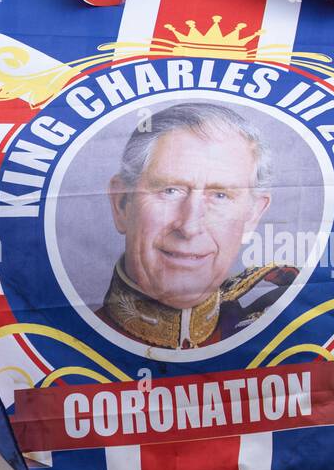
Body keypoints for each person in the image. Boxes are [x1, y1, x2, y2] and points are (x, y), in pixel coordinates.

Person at [98, 102, 297, 349]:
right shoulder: (57, 351)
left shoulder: (283, 344)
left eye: (220, 196)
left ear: (252, 216)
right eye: (170, 190)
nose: (190, 227)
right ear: (122, 204)